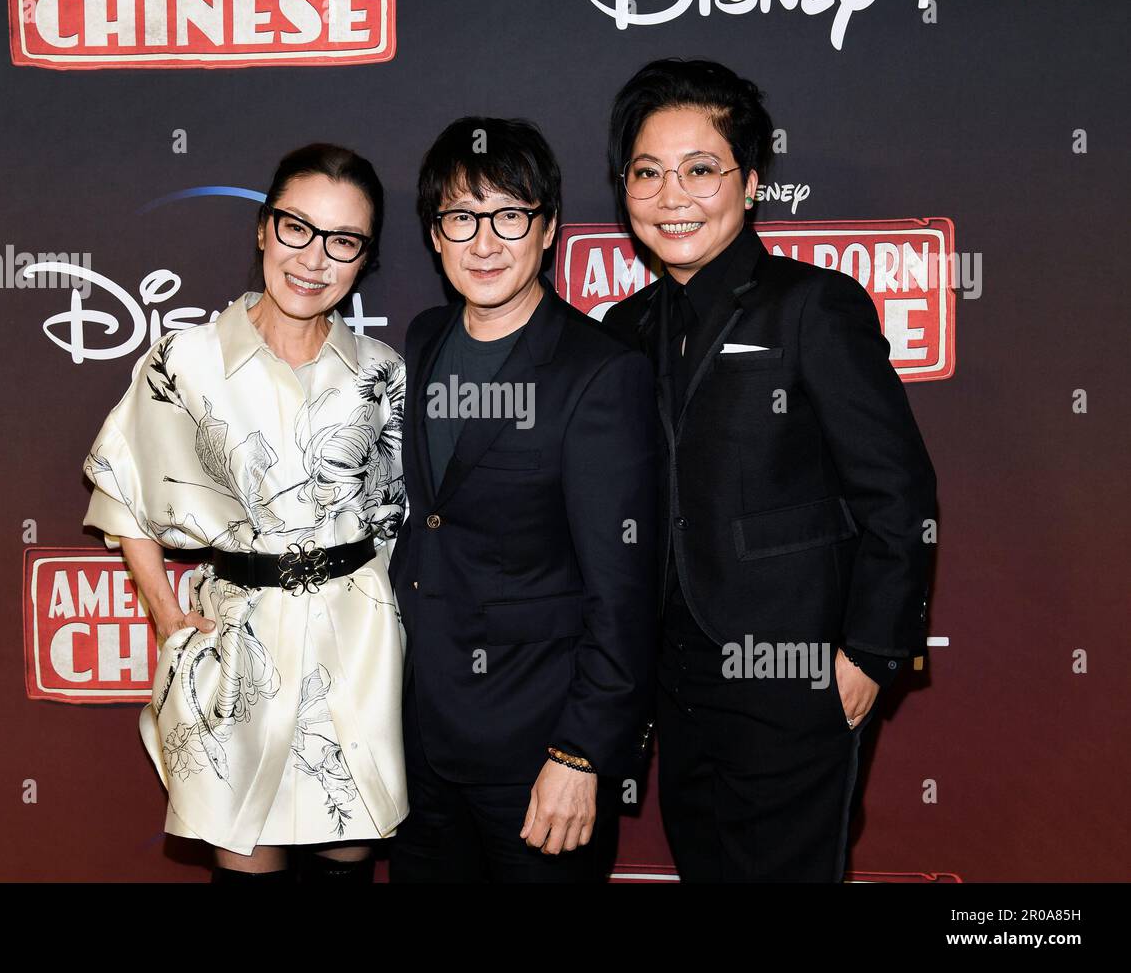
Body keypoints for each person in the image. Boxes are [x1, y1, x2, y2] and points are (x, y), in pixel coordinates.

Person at [602, 58, 937, 882]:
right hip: (675, 683)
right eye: (648, 172)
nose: (672, 195)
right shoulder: (625, 325)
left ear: (749, 183)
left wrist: (869, 656)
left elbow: (900, 492)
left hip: (792, 680)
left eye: (700, 169)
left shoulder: (812, 306)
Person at [81, 143, 408, 883]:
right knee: (244, 854)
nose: (314, 258)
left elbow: (393, 512)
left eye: (343, 241)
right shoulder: (185, 360)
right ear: (263, 228)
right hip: (238, 644)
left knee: (346, 854)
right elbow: (123, 489)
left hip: (353, 643)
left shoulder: (381, 371)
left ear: (363, 260)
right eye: (296, 227)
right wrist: (166, 614)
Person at [387, 117, 659, 883]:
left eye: (510, 215)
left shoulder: (599, 372)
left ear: (548, 231)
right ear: (434, 235)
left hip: (536, 749)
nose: (484, 242)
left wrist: (581, 751)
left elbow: (624, 587)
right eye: (460, 217)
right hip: (419, 740)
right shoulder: (425, 336)